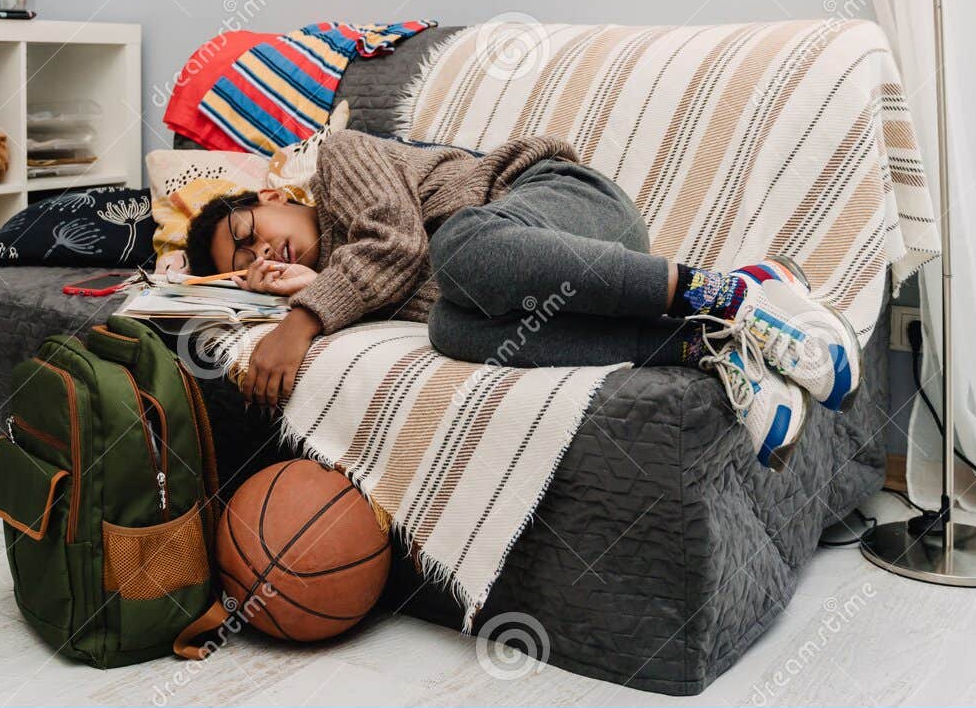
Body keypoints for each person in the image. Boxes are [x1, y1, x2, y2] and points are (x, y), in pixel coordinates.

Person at [183, 130, 860, 471]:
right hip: (570, 276)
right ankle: (704, 342)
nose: (263, 256)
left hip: (567, 201)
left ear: (272, 198)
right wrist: (324, 293)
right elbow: (459, 293)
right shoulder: (341, 282)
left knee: (461, 248)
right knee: (453, 328)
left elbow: (397, 244)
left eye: (250, 234)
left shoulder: (340, 162)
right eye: (245, 265)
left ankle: (730, 291)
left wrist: (303, 320)